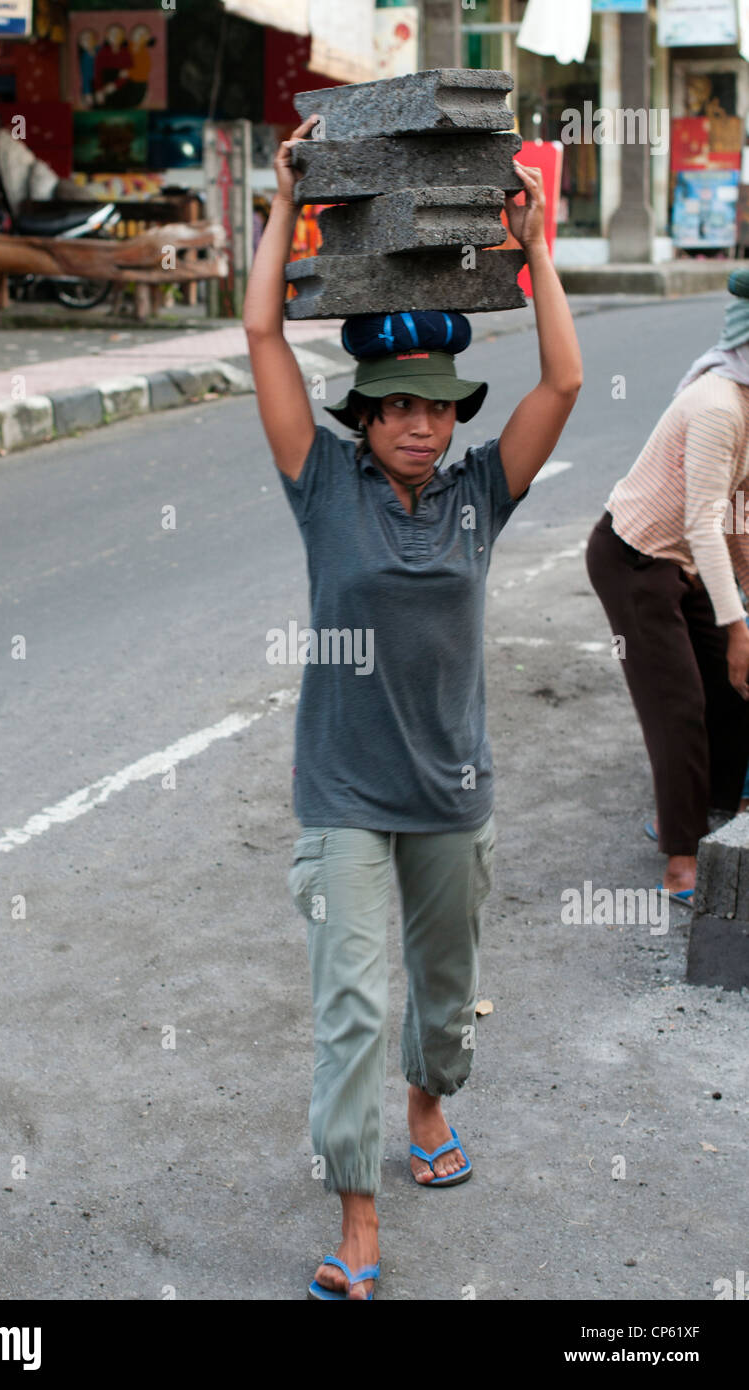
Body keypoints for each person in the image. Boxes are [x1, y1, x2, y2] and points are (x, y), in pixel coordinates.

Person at [243, 114, 583, 1300]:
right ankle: (358, 1215)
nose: (418, 424)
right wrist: (285, 199)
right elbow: (260, 334)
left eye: (435, 406)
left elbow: (566, 379)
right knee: (349, 1002)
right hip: (340, 789)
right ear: (364, 413)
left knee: (441, 993)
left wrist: (532, 249)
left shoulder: (482, 494)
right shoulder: (322, 487)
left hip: (449, 788)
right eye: (395, 405)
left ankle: (430, 1095)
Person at [586, 270, 749, 906]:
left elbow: (738, 516)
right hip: (634, 559)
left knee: (736, 687)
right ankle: (680, 860)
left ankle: (715, 806)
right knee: (677, 703)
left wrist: (745, 605)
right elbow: (702, 522)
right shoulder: (718, 405)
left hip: (687, 560)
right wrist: (737, 626)